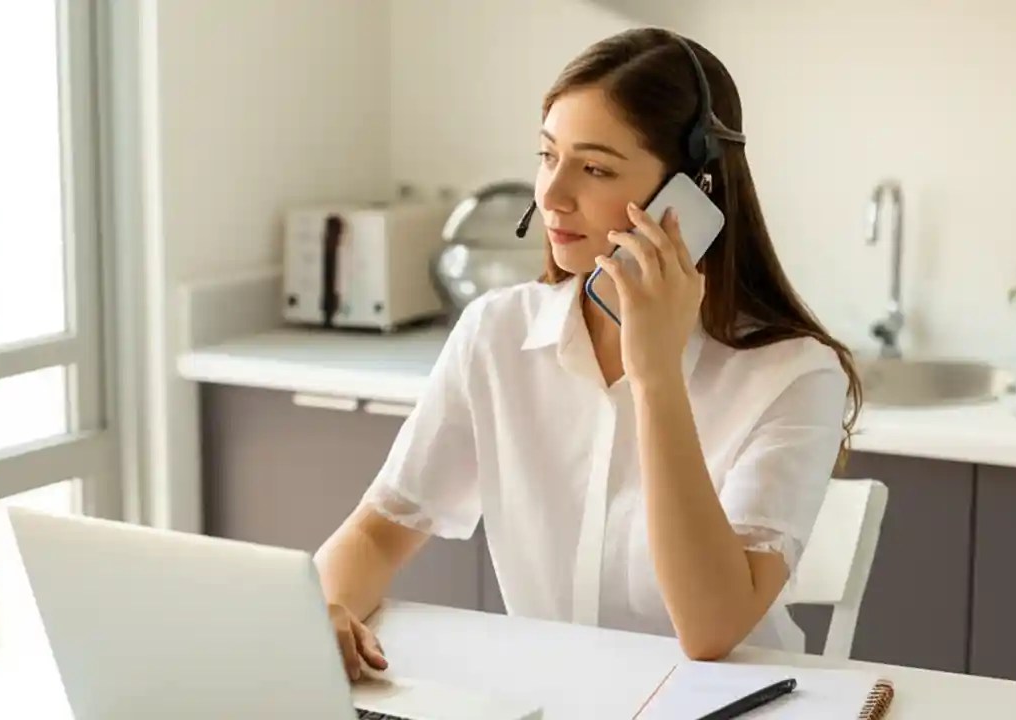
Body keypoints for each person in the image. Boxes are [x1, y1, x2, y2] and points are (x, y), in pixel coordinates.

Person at [313, 27, 862, 681]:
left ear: (691, 196)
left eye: (594, 168)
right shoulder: (496, 334)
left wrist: (655, 374)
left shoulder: (794, 375)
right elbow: (379, 531)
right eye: (548, 156)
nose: (550, 194)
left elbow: (711, 629)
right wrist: (325, 607)